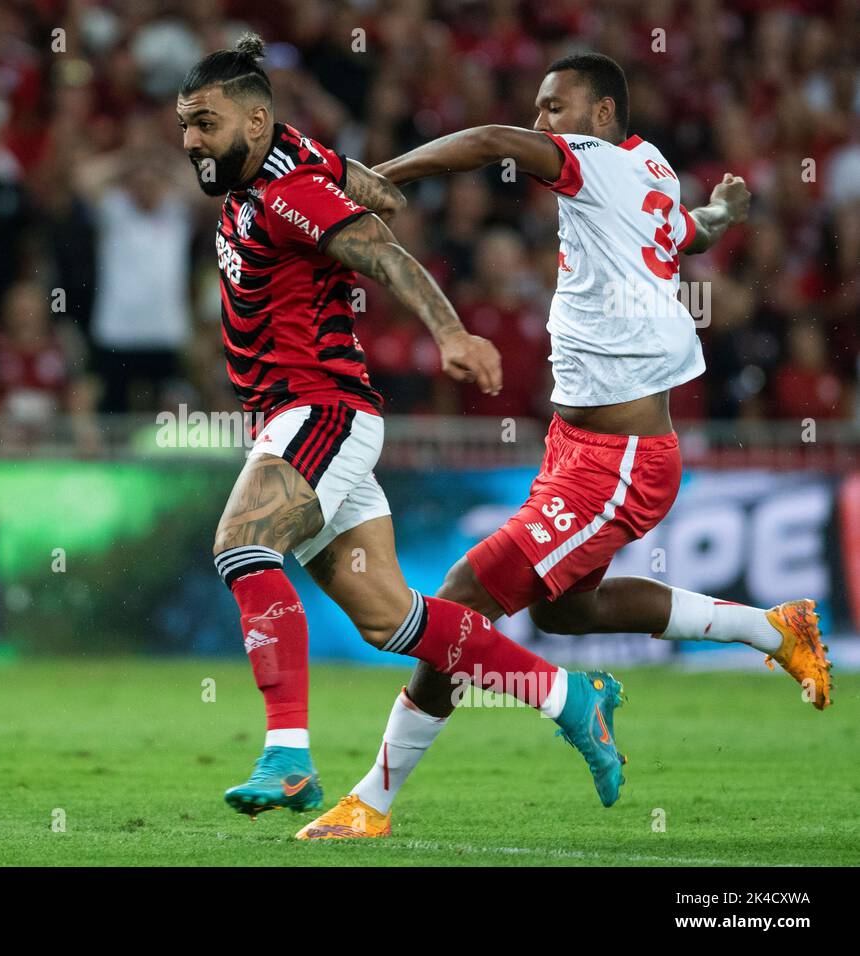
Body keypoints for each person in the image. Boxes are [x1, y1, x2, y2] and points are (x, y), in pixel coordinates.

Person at [298, 52, 833, 840]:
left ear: (602, 117)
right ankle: (773, 629)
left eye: (556, 108)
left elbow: (489, 140)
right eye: (539, 109)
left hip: (619, 463)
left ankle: (371, 803)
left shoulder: (596, 164)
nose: (542, 123)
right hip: (575, 443)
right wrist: (725, 213)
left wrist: (374, 176)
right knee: (563, 611)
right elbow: (688, 232)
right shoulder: (649, 168)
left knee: (461, 594)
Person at [181, 35, 631, 819]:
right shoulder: (287, 165)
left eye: (205, 124)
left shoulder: (289, 192)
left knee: (242, 546)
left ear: (254, 123)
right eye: (185, 124)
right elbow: (380, 195)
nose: (190, 141)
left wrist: (450, 333)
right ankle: (568, 697)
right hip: (297, 421)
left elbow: (384, 248)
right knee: (392, 617)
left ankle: (288, 757)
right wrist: (331, 172)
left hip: (320, 411)